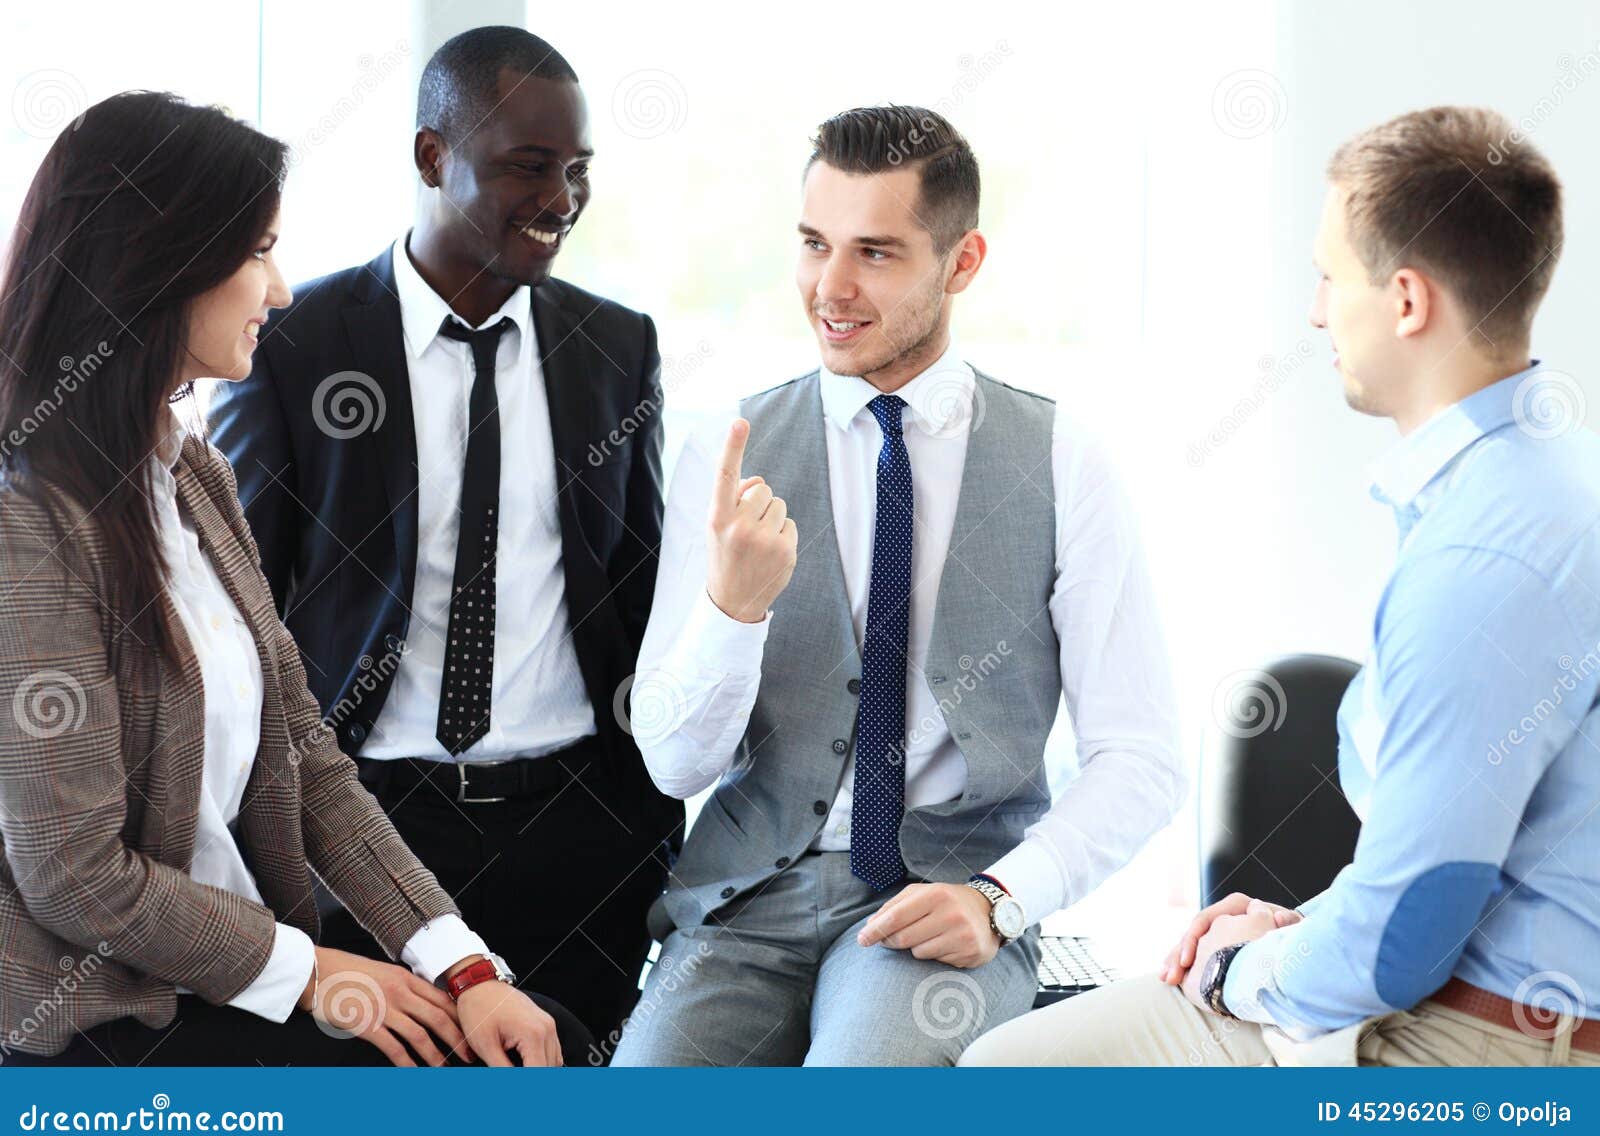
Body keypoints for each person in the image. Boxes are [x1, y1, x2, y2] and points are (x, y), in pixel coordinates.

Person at [962, 106, 1600, 1067]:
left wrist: (1240, 968)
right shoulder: (1539, 476)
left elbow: (1404, 937)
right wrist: (1303, 927)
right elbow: (1447, 867)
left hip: (1483, 1043)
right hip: (1473, 989)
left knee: (1009, 1075)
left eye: (1331, 276)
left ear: (1408, 302)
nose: (1314, 310)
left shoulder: (1482, 557)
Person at [0, 90, 589, 1067]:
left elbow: (303, 751)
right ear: (162, 263)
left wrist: (460, 963)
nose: (278, 291)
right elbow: (73, 875)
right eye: (258, 251)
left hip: (233, 971)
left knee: (534, 1033)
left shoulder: (190, 475)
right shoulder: (27, 521)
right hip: (103, 1023)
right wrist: (319, 971)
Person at [610, 105, 1185, 1067]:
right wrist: (731, 610)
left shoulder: (1064, 462)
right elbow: (672, 764)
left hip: (944, 899)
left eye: (874, 253)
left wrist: (1004, 898)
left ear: (962, 263)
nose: (829, 288)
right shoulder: (728, 448)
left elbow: (1141, 754)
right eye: (812, 244)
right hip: (744, 903)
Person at [209, 27, 679, 1046]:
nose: (560, 199)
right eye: (528, 166)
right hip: (368, 827)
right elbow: (239, 606)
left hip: (577, 831)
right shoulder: (294, 343)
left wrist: (647, 812)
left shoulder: (615, 346)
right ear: (433, 157)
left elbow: (638, 585)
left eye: (577, 171)